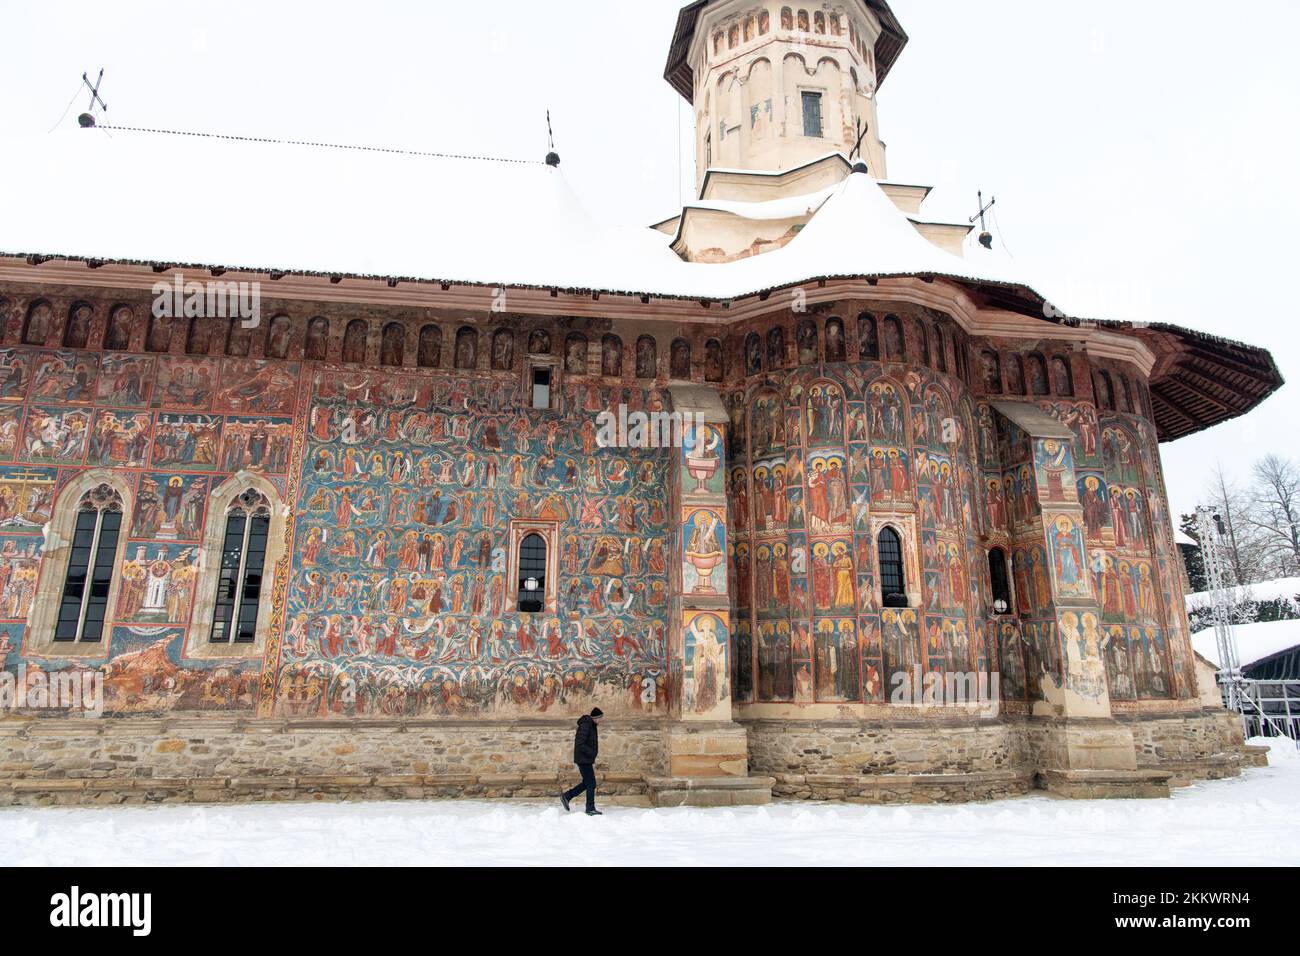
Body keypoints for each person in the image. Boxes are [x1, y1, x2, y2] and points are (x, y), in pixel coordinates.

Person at [560, 708, 604, 816]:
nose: (601, 720)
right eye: (600, 718)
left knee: (587, 783)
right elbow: (580, 743)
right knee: (591, 783)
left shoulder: (591, 725)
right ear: (596, 718)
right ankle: (590, 808)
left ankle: (567, 796)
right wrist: (592, 753)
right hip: (583, 759)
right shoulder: (586, 726)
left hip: (586, 759)